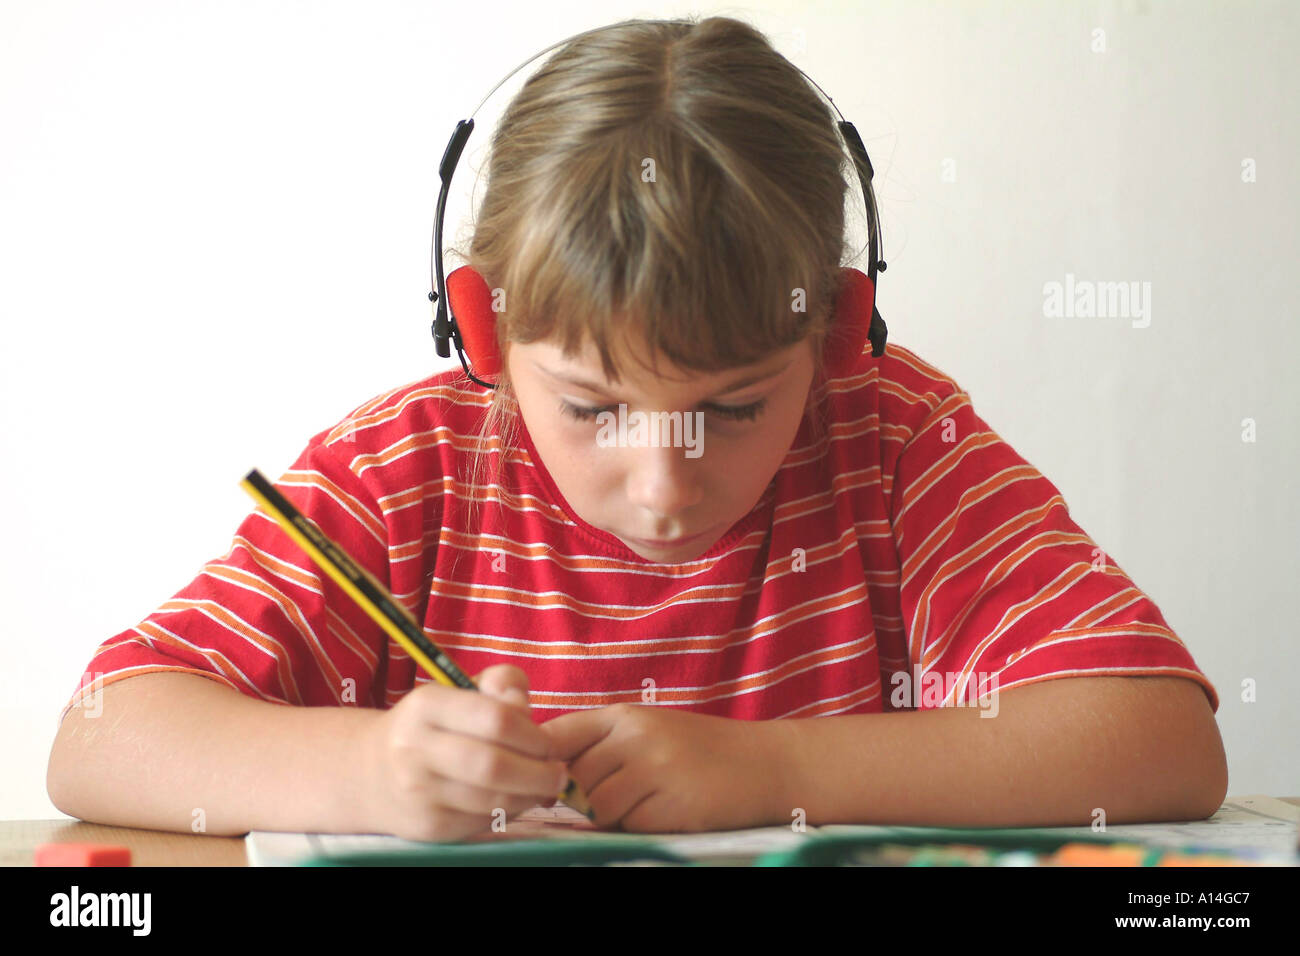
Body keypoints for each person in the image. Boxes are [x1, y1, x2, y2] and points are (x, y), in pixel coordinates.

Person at [47, 16, 1225, 843]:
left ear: (837, 331)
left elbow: (1160, 737)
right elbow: (104, 736)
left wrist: (771, 768)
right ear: (485, 335)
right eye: (594, 405)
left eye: (733, 408)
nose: (664, 484)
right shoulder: (407, 470)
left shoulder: (893, 442)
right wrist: (369, 770)